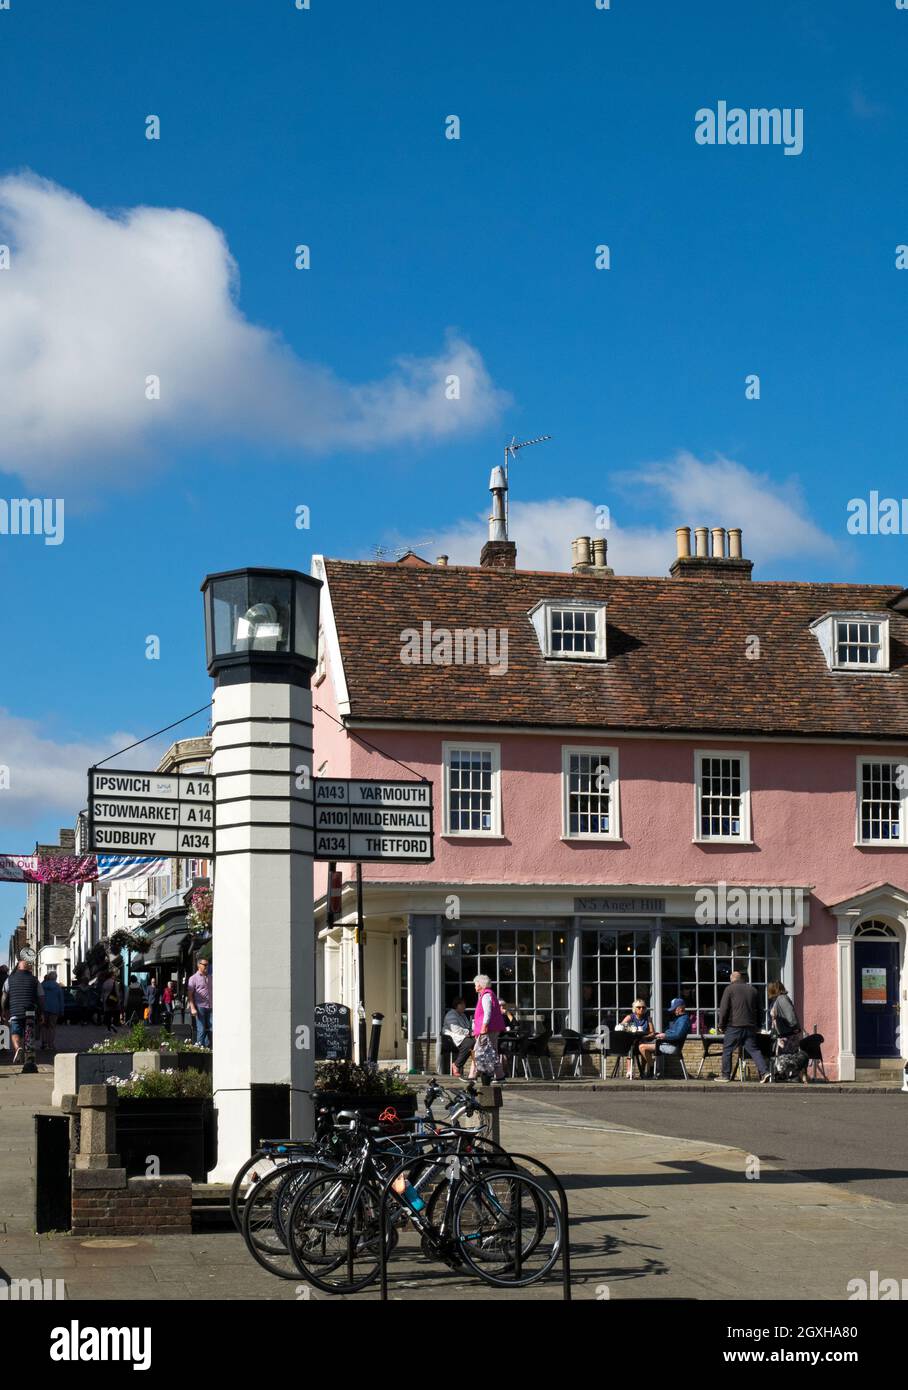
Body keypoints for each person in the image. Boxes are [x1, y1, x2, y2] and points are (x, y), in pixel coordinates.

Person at [717, 971, 770, 1082]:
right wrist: (759, 1025)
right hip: (750, 1026)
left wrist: (721, 1025)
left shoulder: (729, 989)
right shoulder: (753, 990)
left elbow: (724, 1009)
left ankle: (725, 1075)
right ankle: (765, 1072)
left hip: (734, 1025)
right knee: (754, 1050)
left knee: (727, 1050)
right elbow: (760, 1010)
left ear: (732, 979)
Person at [1, 960, 44, 1064]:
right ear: (28, 969)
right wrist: (41, 1012)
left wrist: (3, 1010)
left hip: (15, 1011)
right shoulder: (35, 980)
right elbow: (41, 997)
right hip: (30, 1011)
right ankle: (28, 1057)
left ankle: (17, 1048)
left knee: (15, 1032)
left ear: (18, 968)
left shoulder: (9, 979)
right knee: (28, 1033)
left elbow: (4, 996)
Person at [471, 973, 506, 1084]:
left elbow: (488, 1012)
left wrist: (484, 1026)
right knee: (492, 1052)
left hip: (487, 1029)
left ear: (481, 985)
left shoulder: (486, 995)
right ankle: (500, 1076)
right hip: (492, 1028)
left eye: (476, 984)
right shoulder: (489, 994)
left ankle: (473, 1076)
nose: (475, 986)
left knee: (477, 1051)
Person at [619, 998, 654, 1078]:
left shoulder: (648, 1018)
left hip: (643, 1040)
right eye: (639, 1007)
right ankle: (629, 1071)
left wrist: (645, 1036)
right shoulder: (630, 1017)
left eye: (643, 1007)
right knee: (630, 1047)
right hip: (631, 1041)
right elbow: (620, 1027)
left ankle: (642, 1071)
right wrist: (630, 1029)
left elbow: (652, 1033)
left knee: (643, 1046)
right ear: (634, 1008)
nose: (641, 1009)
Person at [442, 997, 474, 1077]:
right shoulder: (451, 1015)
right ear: (457, 1005)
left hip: (462, 1037)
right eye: (462, 1004)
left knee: (476, 1043)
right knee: (470, 1042)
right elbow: (455, 1029)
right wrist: (469, 1032)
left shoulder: (463, 1015)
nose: (464, 1006)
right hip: (450, 1039)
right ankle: (457, 1065)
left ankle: (475, 1070)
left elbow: (468, 1026)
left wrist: (472, 1031)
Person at [187, 958, 212, 1046]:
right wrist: (193, 1008)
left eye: (207, 965)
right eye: (204, 965)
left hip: (210, 1006)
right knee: (201, 1029)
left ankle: (209, 1050)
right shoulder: (193, 978)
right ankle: (199, 1050)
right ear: (199, 965)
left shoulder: (210, 977)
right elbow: (190, 994)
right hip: (200, 1006)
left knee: (211, 1029)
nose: (206, 966)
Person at [40, 970, 65, 1050]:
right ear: (55, 978)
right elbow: (61, 999)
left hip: (43, 1009)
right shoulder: (57, 986)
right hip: (54, 1009)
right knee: (52, 1027)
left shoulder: (42, 985)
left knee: (44, 1026)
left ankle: (44, 1043)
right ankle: (51, 1044)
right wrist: (62, 1010)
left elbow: (39, 996)